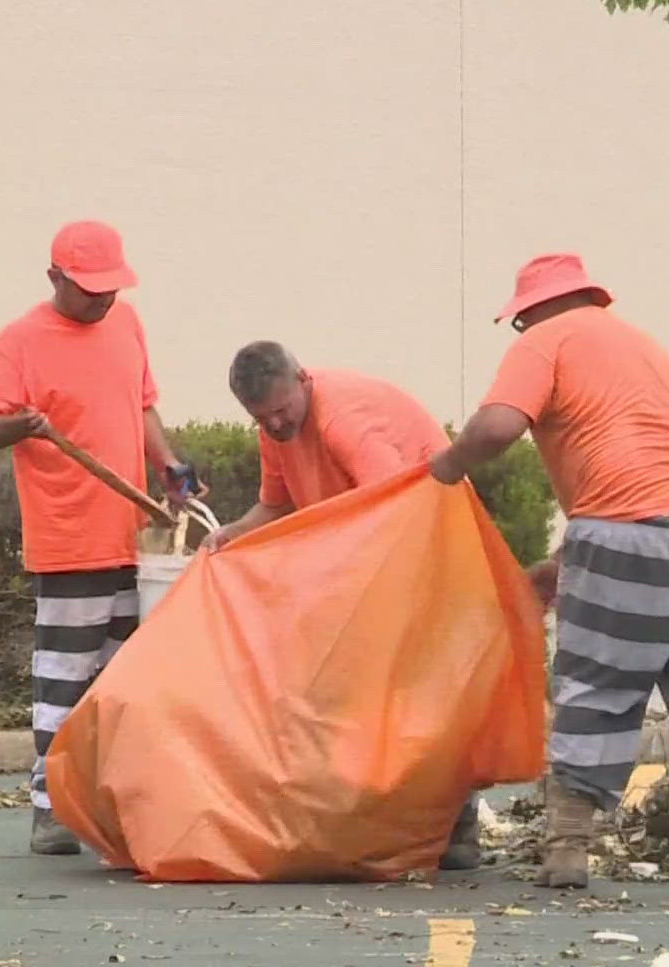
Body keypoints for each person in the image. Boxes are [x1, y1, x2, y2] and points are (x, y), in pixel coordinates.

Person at [429, 253, 669, 891]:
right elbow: (647, 464)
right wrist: (565, 563)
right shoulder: (639, 342)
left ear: (533, 310)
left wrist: (444, 469)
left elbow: (498, 426)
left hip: (625, 535)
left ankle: (568, 850)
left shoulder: (547, 339)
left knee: (596, 689)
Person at [198, 342, 482, 871]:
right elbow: (276, 504)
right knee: (356, 692)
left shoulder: (344, 419)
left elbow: (391, 504)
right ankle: (379, 818)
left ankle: (456, 822)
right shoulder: (275, 432)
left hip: (424, 540)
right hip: (370, 552)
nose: (277, 426)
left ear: (302, 379)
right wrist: (232, 537)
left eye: (282, 412)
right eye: (263, 419)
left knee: (419, 690)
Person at [0, 220, 198, 856]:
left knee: (126, 682)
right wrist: (23, 424)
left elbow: (143, 404)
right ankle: (50, 807)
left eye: (110, 289)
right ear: (54, 278)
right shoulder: (19, 341)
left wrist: (169, 469)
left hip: (132, 538)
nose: (102, 301)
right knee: (65, 679)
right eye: (89, 290)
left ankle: (115, 804)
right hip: (68, 540)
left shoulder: (126, 325)